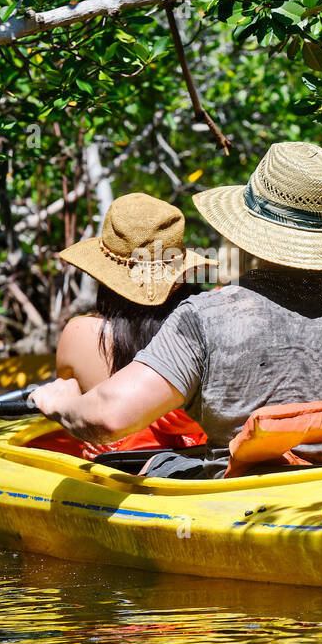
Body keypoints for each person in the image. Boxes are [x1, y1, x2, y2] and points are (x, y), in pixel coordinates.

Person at [31, 141, 322, 477]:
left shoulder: (204, 317)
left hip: (250, 504)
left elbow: (108, 419)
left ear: (246, 226)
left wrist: (61, 402)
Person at [52, 192, 214, 458]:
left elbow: (68, 403)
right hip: (198, 463)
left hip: (114, 470)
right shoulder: (202, 325)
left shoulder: (80, 332)